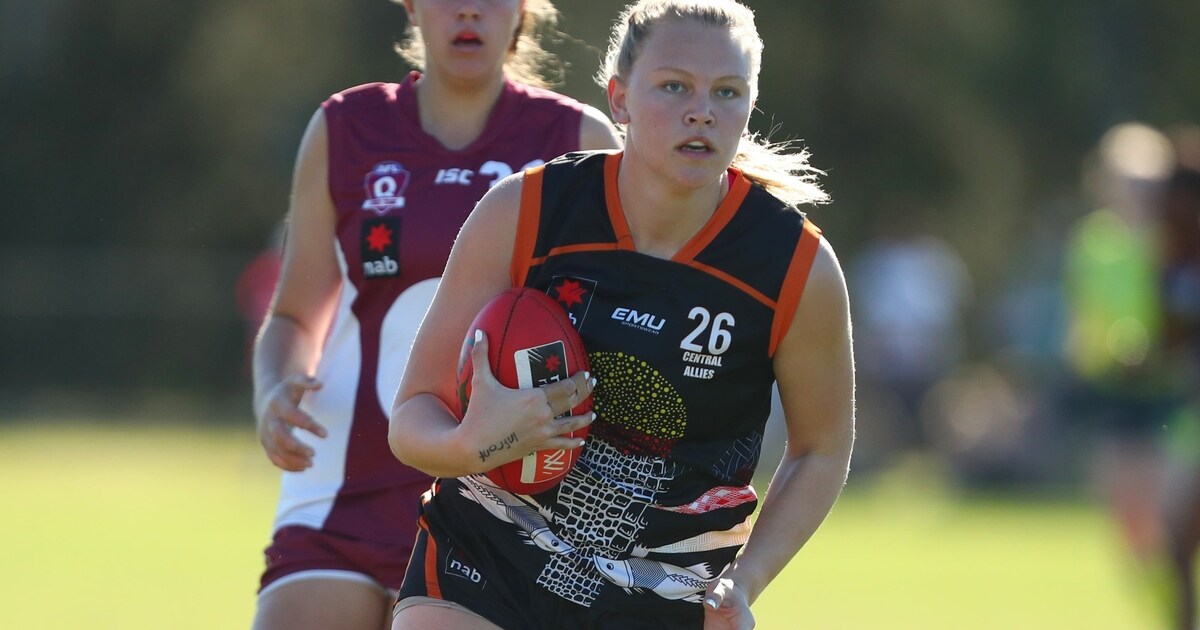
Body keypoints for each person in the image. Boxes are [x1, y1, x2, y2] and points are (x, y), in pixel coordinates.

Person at [388, 1, 855, 628]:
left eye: (727, 92)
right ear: (619, 101)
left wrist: (744, 582)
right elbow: (414, 412)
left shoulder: (796, 266)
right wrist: (473, 443)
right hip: (489, 546)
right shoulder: (527, 210)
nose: (702, 110)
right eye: (674, 86)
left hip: (662, 591)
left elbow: (821, 449)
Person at [250, 0, 621, 627]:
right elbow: (292, 313)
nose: (469, 10)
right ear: (413, 6)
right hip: (342, 488)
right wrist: (272, 393)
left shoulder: (578, 143)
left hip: (498, 506)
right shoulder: (345, 129)